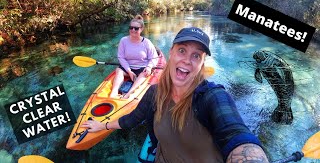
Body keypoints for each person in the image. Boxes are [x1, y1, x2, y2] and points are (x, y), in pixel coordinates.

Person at [82, 27, 269, 162]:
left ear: (202, 64)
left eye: (196, 56)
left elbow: (236, 133)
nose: (187, 60)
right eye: (182, 50)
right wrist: (102, 124)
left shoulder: (212, 96)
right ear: (171, 53)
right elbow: (131, 120)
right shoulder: (154, 93)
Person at [109, 15, 158, 99]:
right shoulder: (123, 41)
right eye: (131, 28)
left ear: (141, 29)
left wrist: (149, 67)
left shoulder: (147, 43)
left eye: (136, 28)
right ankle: (113, 93)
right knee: (118, 70)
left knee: (144, 73)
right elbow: (121, 57)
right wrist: (129, 71)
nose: (133, 30)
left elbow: (154, 58)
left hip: (141, 68)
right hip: (127, 67)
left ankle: (128, 95)